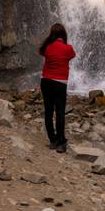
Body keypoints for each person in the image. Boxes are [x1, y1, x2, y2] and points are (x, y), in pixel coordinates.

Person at [39, 22, 76, 153]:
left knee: (48, 112)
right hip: (59, 83)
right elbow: (72, 55)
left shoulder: (47, 47)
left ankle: (52, 141)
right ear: (63, 34)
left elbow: (41, 51)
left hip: (45, 81)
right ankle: (61, 143)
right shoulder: (68, 48)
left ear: (52, 34)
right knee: (60, 113)